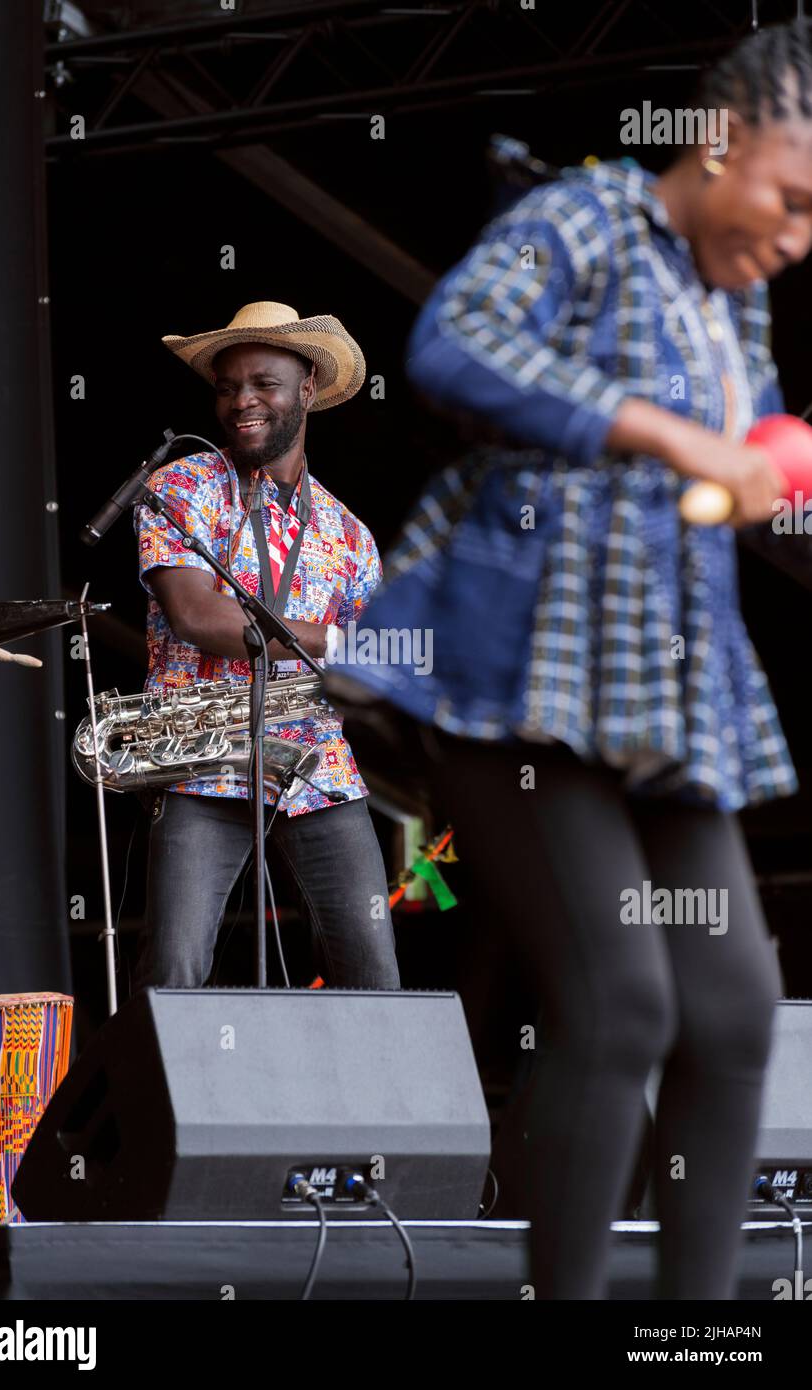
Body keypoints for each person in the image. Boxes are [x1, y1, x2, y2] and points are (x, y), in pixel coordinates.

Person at [325, 22, 812, 1297]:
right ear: (717, 144)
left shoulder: (732, 293)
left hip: (665, 689)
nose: (799, 235)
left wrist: (753, 471)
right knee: (621, 1006)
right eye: (793, 195)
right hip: (519, 681)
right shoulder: (588, 214)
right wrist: (668, 435)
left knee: (735, 1015)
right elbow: (454, 343)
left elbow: (730, 453)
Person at [132, 301, 400, 993]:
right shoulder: (180, 487)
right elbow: (196, 616)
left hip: (316, 765)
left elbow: (369, 670)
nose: (241, 401)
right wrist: (336, 642)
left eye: (262, 384)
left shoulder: (349, 533)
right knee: (174, 973)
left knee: (372, 971)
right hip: (198, 757)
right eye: (226, 387)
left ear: (307, 386)